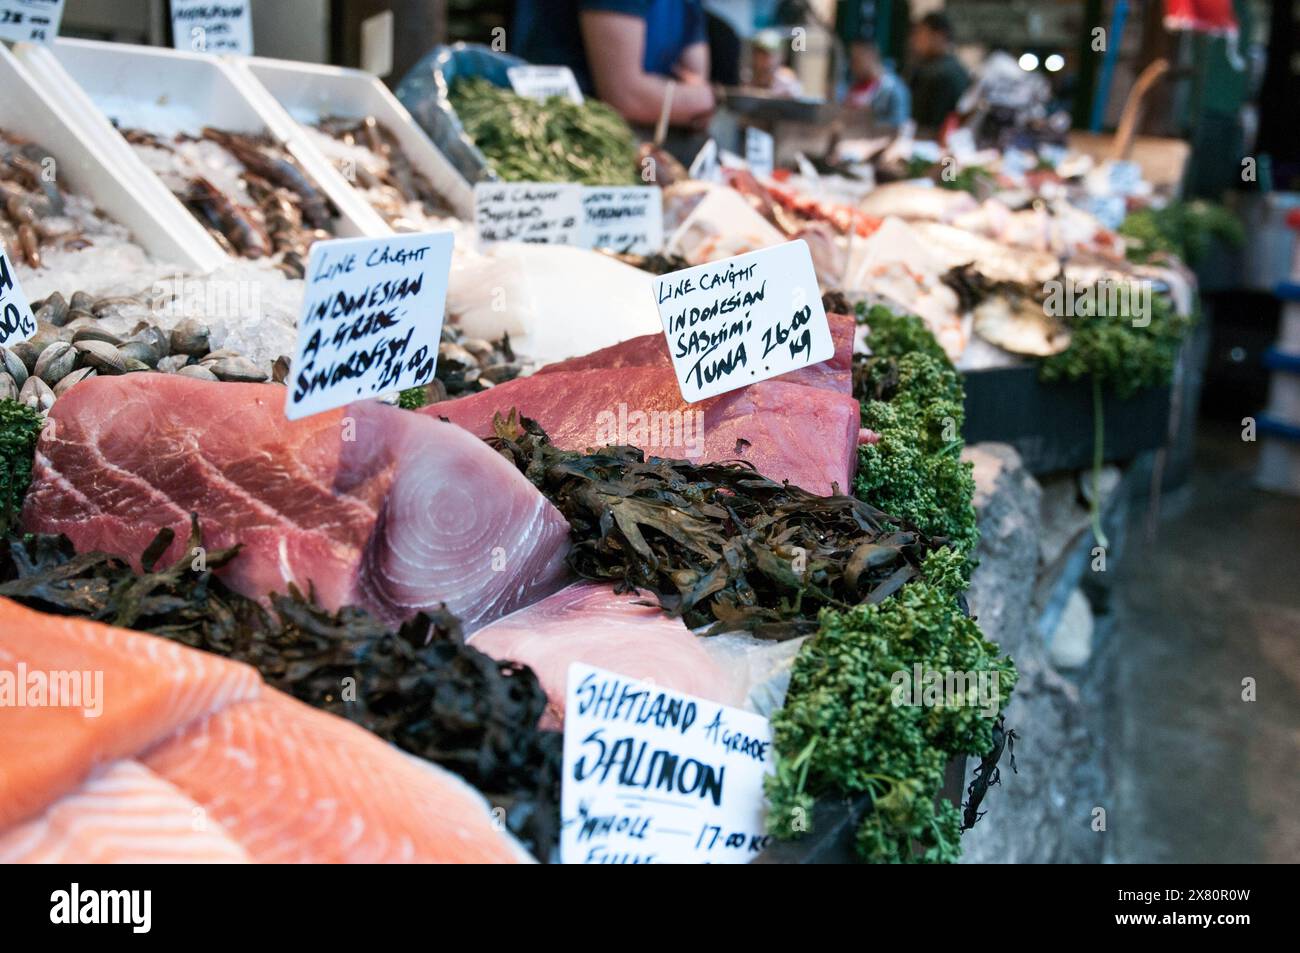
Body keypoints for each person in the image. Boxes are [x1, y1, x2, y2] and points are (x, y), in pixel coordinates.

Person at [512, 1, 716, 132]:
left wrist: (694, 101)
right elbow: (627, 97)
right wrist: (699, 99)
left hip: (637, 147)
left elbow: (698, 83)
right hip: (558, 134)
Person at [904, 11, 970, 135]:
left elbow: (931, 124)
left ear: (939, 35)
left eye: (920, 33)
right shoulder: (953, 68)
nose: (915, 40)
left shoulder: (942, 73)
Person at [845, 39, 910, 127]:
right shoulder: (853, 85)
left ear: (870, 56)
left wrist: (866, 120)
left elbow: (898, 123)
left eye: (857, 60)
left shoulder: (893, 88)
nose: (852, 65)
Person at [748, 29, 803, 97]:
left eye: (769, 54)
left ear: (780, 56)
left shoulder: (787, 83)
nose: (765, 60)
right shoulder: (747, 78)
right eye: (760, 54)